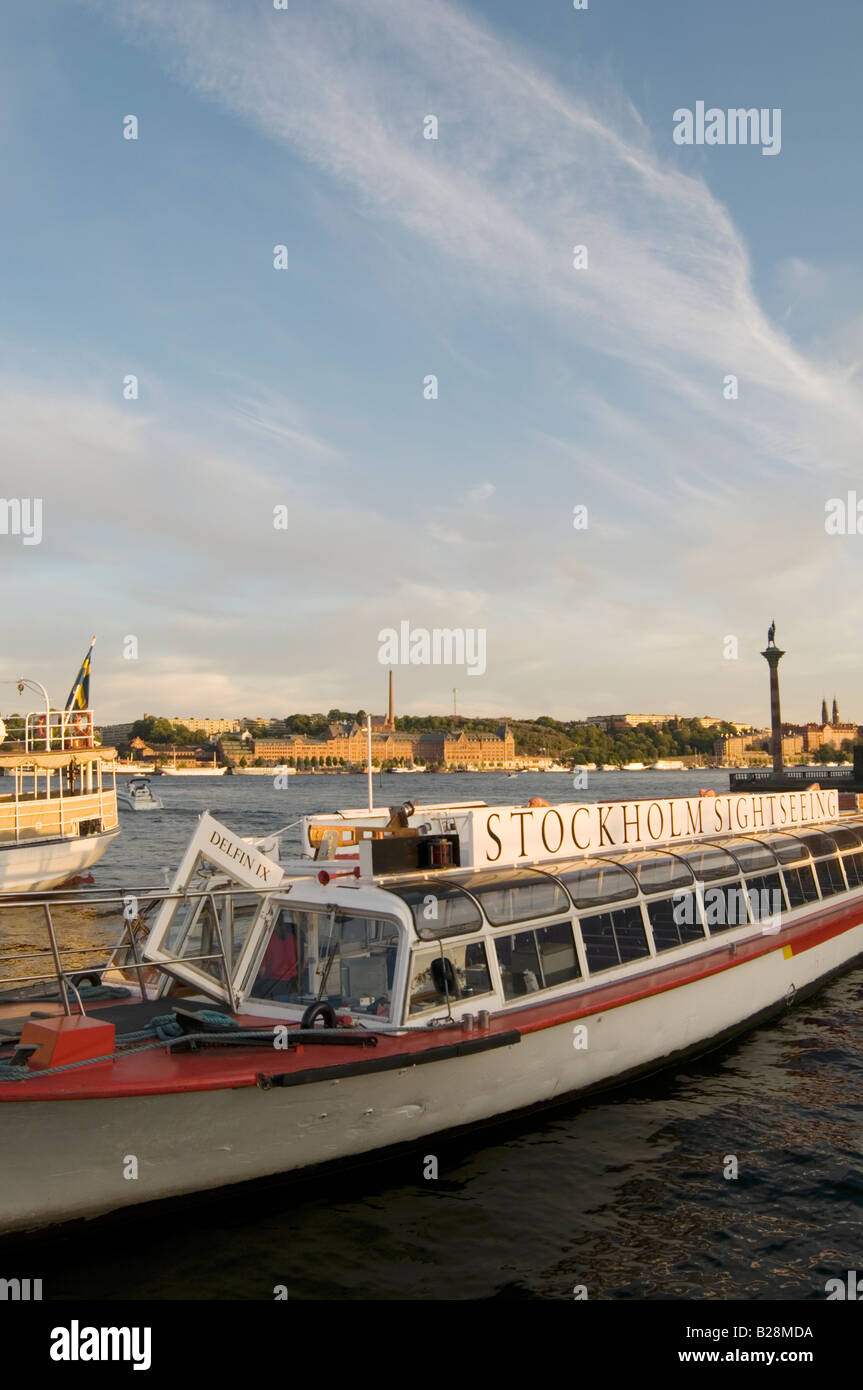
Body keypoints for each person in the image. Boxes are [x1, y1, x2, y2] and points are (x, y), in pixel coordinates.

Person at [253, 916, 299, 999]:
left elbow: (262, 970)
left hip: (273, 985)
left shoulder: (267, 940)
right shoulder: (293, 938)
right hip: (292, 984)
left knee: (251, 993)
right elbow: (302, 962)